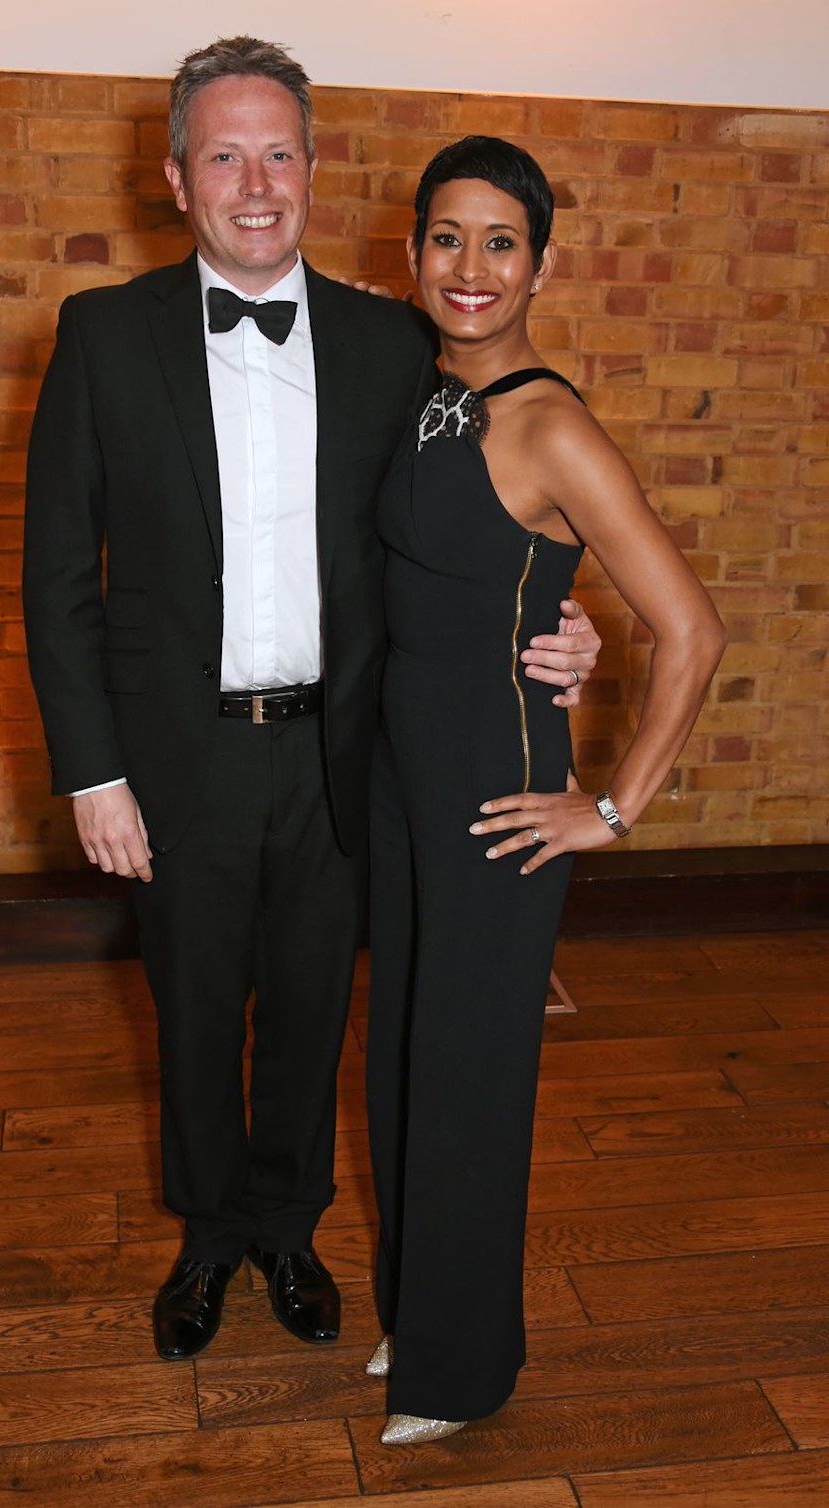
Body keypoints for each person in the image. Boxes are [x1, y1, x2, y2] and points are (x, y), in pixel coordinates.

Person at [22, 40, 600, 1365]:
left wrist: (558, 630)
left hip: (349, 755)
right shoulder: (102, 337)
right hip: (176, 758)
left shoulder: (394, 341)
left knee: (309, 1010)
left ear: (314, 170)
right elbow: (56, 577)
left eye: (279, 153)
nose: (256, 183)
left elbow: (470, 529)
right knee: (190, 1010)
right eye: (224, 156)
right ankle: (207, 1234)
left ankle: (289, 1228)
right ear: (178, 178)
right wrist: (91, 773)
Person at [364, 135, 727, 1446]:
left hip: (498, 794)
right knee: (402, 1060)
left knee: (469, 1079)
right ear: (413, 252)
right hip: (402, 784)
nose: (472, 267)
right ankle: (420, 1312)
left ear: (541, 266)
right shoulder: (414, 386)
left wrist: (612, 809)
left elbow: (692, 629)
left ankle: (461, 1374)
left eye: (501, 242)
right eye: (448, 237)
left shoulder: (550, 426)